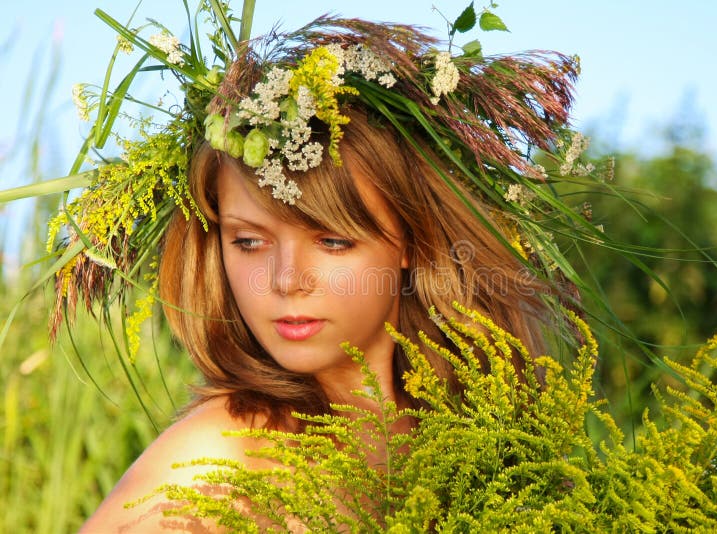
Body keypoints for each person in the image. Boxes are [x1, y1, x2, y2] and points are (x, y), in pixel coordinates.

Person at [46, 4, 583, 532]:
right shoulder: (214, 457)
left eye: (331, 240)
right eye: (250, 241)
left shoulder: (485, 432)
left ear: (410, 242)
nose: (286, 280)